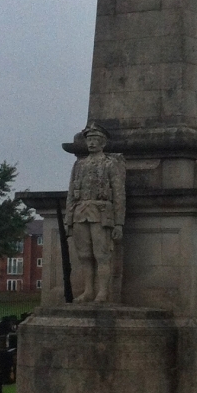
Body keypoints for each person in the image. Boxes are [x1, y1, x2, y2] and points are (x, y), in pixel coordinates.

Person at [65, 123, 126, 303]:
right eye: (89, 139)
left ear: (103, 143)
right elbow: (71, 194)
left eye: (95, 140)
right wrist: (68, 220)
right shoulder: (79, 165)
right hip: (80, 213)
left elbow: (119, 194)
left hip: (101, 214)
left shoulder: (110, 164)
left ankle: (103, 292)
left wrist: (119, 223)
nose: (91, 143)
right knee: (84, 255)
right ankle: (89, 291)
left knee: (102, 255)